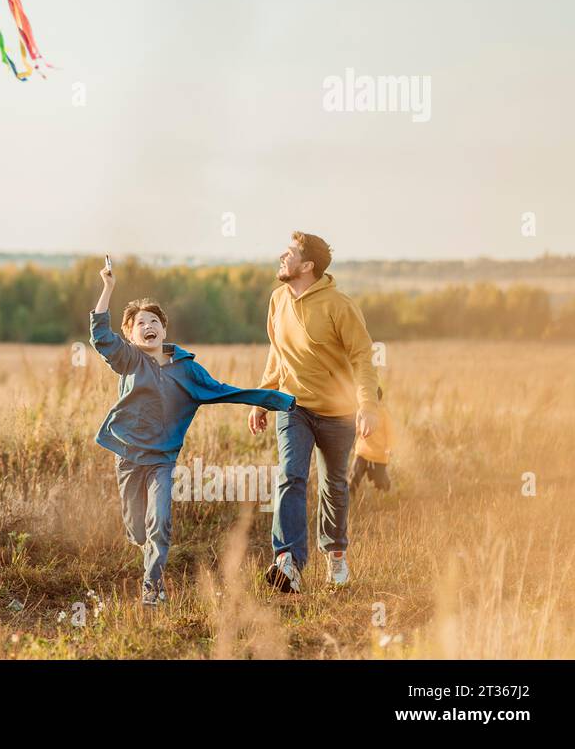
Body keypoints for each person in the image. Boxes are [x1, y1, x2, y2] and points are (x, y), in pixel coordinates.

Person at [92, 257, 294, 606]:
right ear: (130, 334)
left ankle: (152, 587)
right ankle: (147, 557)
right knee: (138, 530)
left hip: (162, 462)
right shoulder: (129, 360)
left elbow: (225, 390)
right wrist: (108, 287)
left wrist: (280, 400)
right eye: (140, 322)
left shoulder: (188, 371)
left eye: (154, 321)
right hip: (127, 457)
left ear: (164, 330)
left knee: (160, 524)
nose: (148, 325)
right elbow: (99, 336)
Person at [248, 232, 380, 592]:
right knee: (291, 475)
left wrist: (367, 405)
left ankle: (335, 553)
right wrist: (264, 398)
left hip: (339, 411)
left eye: (288, 253)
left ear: (306, 266)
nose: (281, 256)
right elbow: (277, 354)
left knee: (334, 485)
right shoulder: (277, 300)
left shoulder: (340, 305)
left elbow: (362, 358)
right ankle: (288, 561)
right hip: (294, 406)